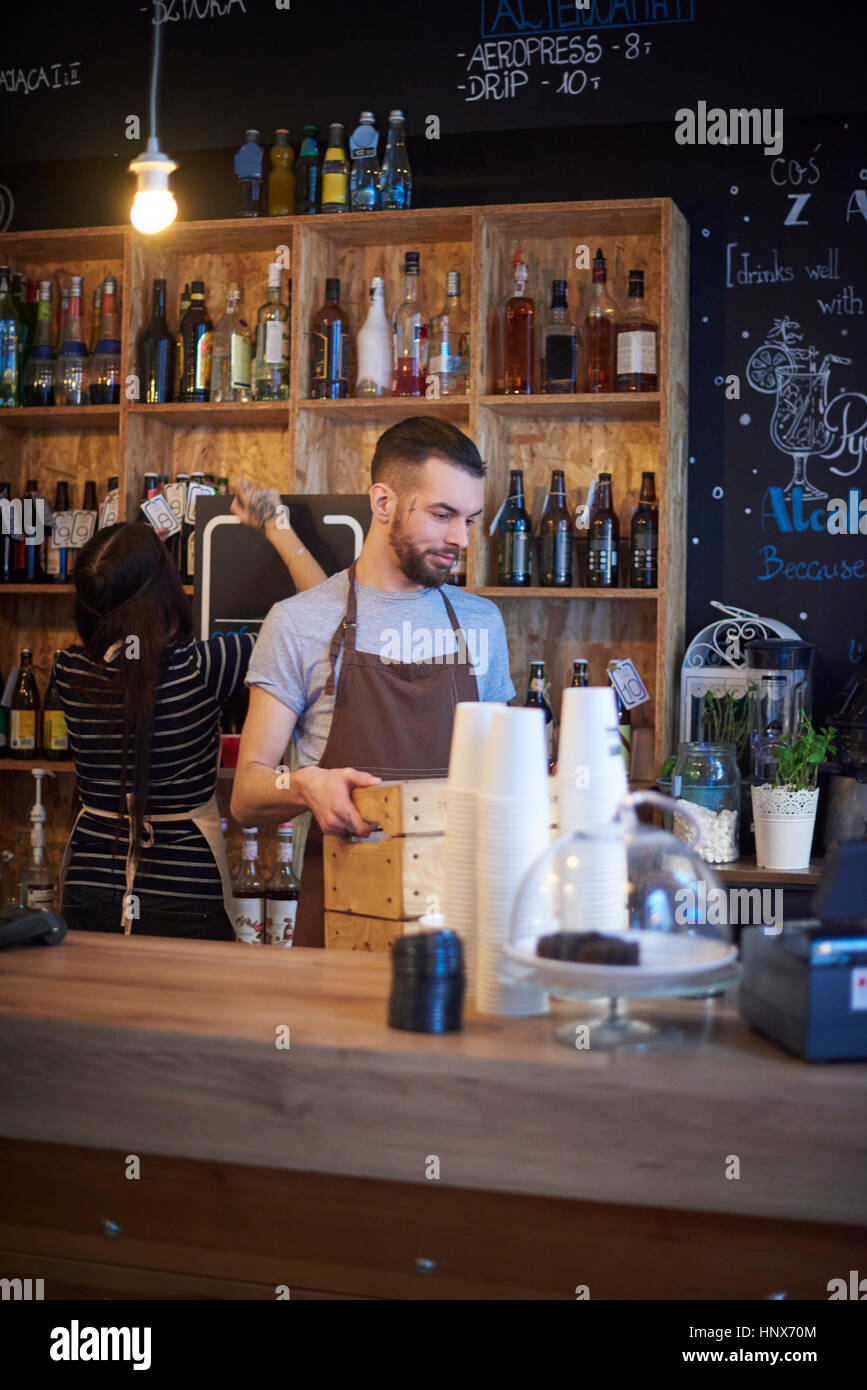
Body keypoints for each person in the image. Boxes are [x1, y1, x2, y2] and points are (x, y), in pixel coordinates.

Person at [231, 417, 515, 947]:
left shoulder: (482, 623)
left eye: (470, 519)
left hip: (462, 924)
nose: (461, 538)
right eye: (443, 514)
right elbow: (247, 792)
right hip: (341, 917)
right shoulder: (298, 621)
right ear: (383, 504)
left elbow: (501, 776)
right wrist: (301, 784)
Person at [55, 479, 325, 940]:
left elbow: (123, 631)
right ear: (165, 587)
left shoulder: (69, 671)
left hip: (89, 879)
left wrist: (135, 557)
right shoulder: (205, 666)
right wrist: (275, 525)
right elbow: (320, 616)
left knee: (92, 1006)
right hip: (186, 886)